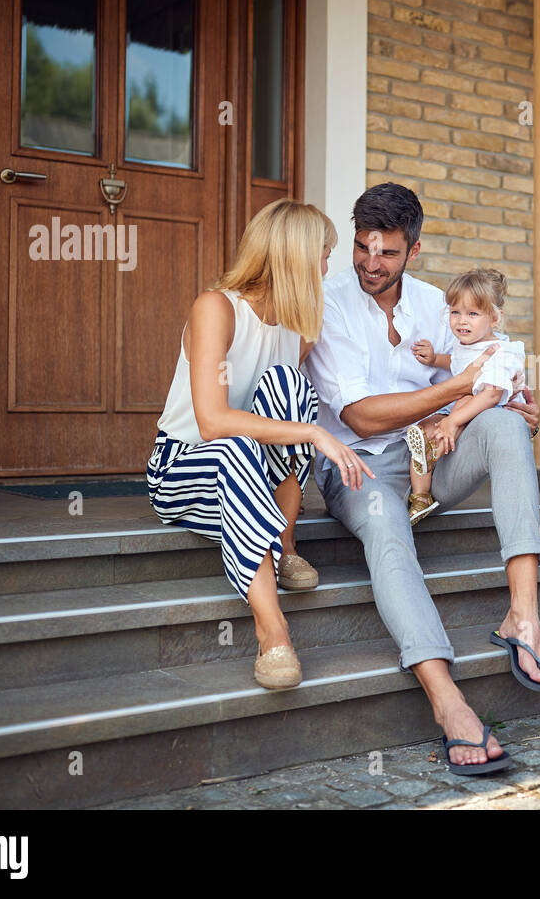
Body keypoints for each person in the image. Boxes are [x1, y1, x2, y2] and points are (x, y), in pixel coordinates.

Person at [303, 182, 540, 775]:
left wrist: (518, 400)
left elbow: (489, 362)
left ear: (413, 251)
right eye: (363, 247)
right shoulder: (329, 302)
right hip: (357, 465)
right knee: (386, 525)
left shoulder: (433, 304)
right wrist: (458, 391)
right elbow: (361, 415)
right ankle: (448, 704)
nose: (372, 262)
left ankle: (524, 617)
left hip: (429, 457)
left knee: (505, 424)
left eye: (388, 252)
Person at [146, 199, 375, 690]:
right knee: (235, 446)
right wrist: (315, 433)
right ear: (296, 256)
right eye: (324, 253)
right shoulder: (217, 308)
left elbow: (296, 409)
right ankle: (273, 633)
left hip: (251, 474)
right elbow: (212, 422)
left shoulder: (296, 331)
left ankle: (286, 545)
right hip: (183, 468)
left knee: (290, 386)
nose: (327, 265)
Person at [406, 267, 526, 525]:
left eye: (472, 313)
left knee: (457, 408)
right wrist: (435, 358)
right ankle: (420, 496)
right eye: (456, 312)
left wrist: (453, 421)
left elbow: (491, 396)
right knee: (423, 428)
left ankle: (433, 453)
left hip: (493, 415)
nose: (462, 321)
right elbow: (458, 363)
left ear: (495, 318)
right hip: (467, 409)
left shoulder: (501, 351)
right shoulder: (468, 344)